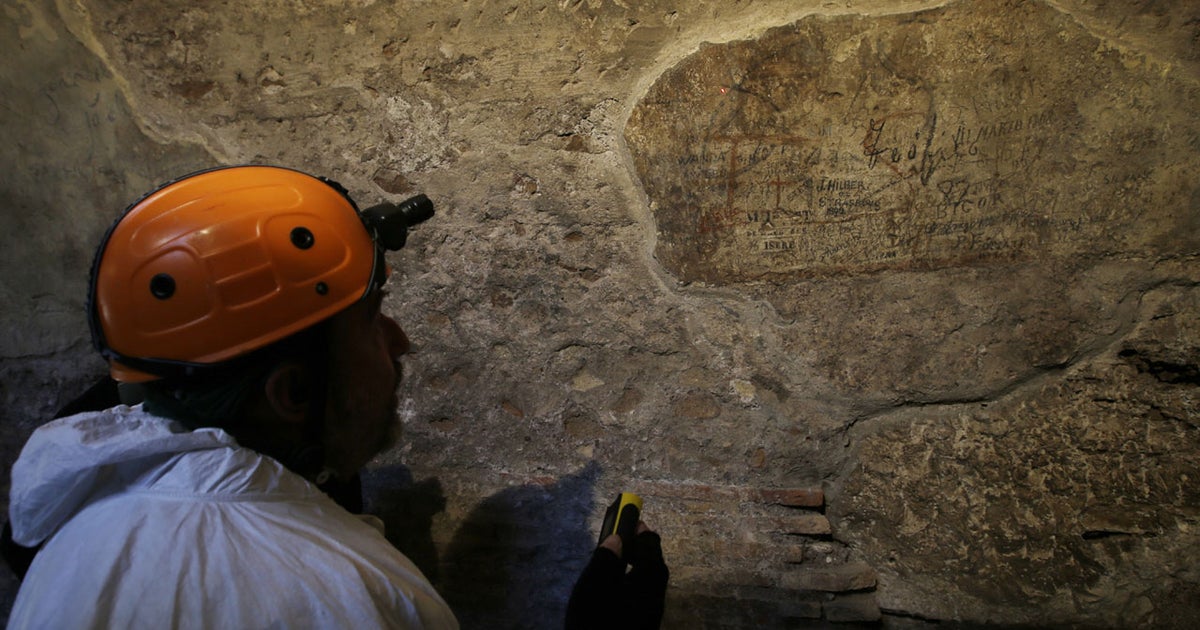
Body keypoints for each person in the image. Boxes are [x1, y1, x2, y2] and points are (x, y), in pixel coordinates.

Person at [4, 165, 458, 628]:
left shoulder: (72, 542)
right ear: (293, 393)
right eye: (370, 320)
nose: (398, 341)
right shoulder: (364, 597)